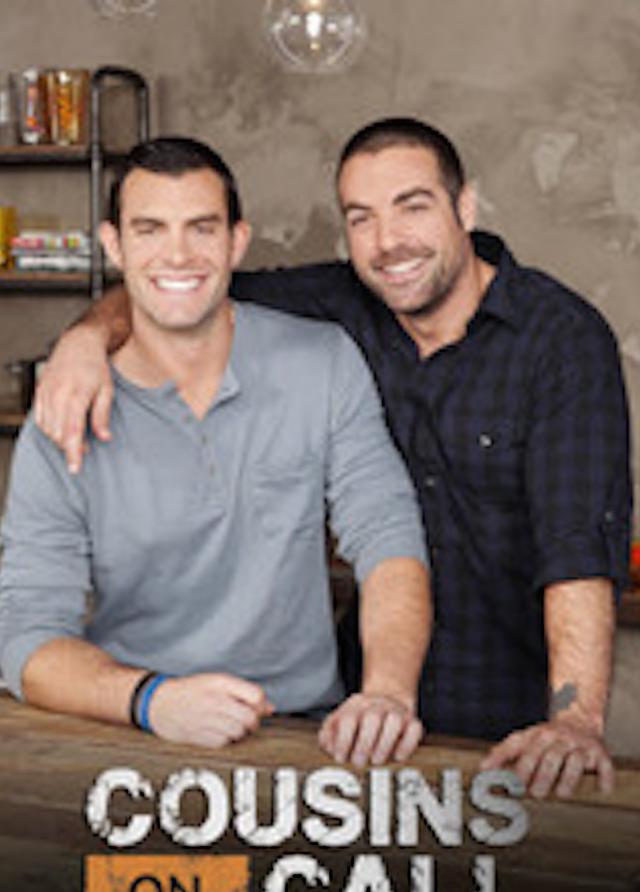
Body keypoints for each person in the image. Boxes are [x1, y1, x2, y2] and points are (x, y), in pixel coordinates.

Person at [32, 119, 632, 798]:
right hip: (355, 714)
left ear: (465, 207)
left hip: (505, 709)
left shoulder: (559, 338)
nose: (388, 241)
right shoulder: (340, 305)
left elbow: (577, 545)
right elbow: (182, 283)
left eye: (412, 207)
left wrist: (574, 715)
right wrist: (84, 340)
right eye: (361, 218)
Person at [0, 136, 432, 766]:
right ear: (114, 246)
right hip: (131, 732)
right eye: (150, 230)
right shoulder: (64, 416)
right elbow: (25, 636)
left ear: (237, 242)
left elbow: (388, 534)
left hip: (304, 732)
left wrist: (388, 692)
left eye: (202, 228)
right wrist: (151, 699)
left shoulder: (323, 361)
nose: (178, 254)